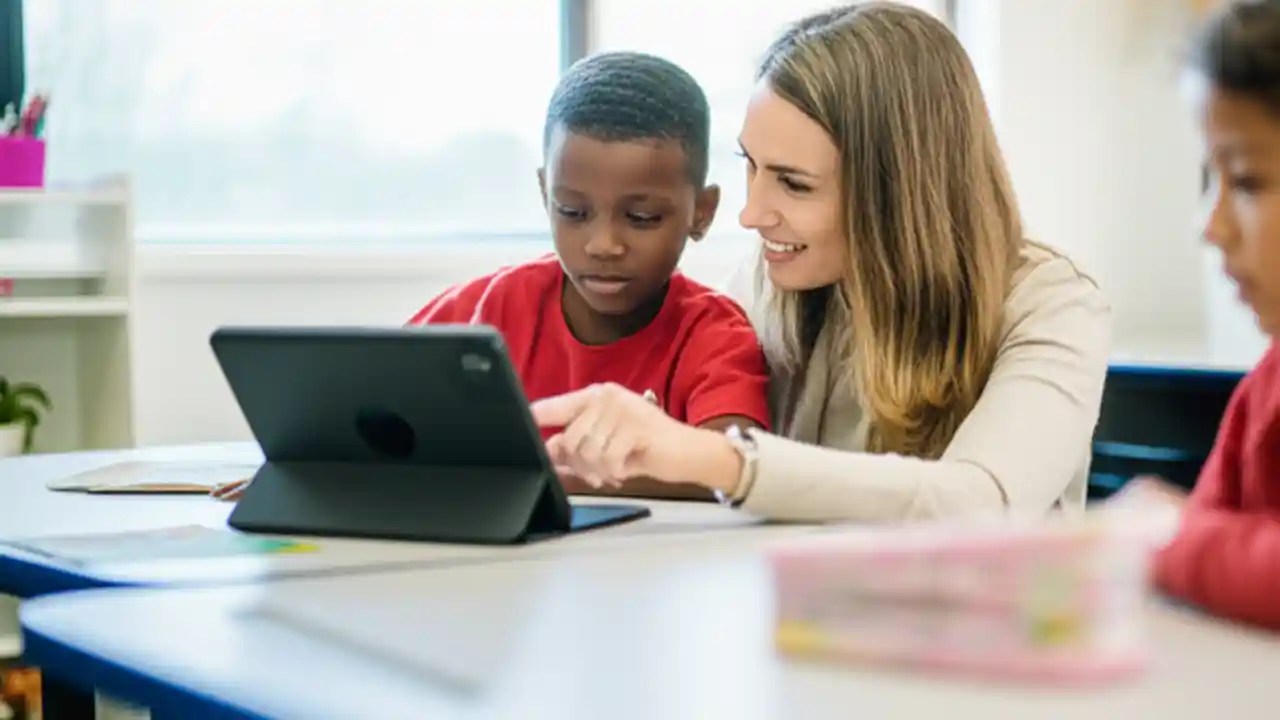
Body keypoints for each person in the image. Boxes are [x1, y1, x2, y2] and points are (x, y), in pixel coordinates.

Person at [531, 2, 1111, 521]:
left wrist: (722, 460)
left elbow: (980, 502)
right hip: (815, 620)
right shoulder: (769, 282)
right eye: (751, 166)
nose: (752, 213)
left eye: (794, 184)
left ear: (900, 190)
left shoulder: (1053, 305)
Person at [214, 51, 770, 502]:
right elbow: (365, 408)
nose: (603, 244)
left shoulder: (713, 334)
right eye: (572, 212)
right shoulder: (491, 307)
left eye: (642, 217)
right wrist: (320, 471)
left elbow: (733, 465)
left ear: (701, 212)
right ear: (543, 194)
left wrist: (546, 478)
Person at [1122, 0, 1280, 630]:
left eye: (1244, 181)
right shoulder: (1263, 390)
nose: (1209, 227)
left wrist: (1168, 535)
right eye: (1207, 181)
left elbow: (1181, 539)